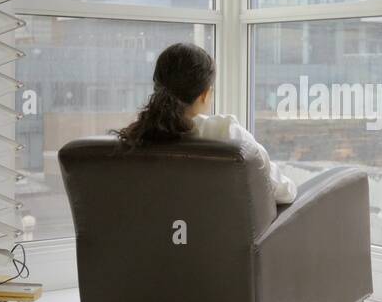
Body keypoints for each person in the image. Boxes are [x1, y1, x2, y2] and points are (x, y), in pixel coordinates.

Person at [114, 43, 297, 204]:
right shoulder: (226, 132)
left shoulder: (134, 138)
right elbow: (283, 191)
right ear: (205, 94)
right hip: (220, 241)